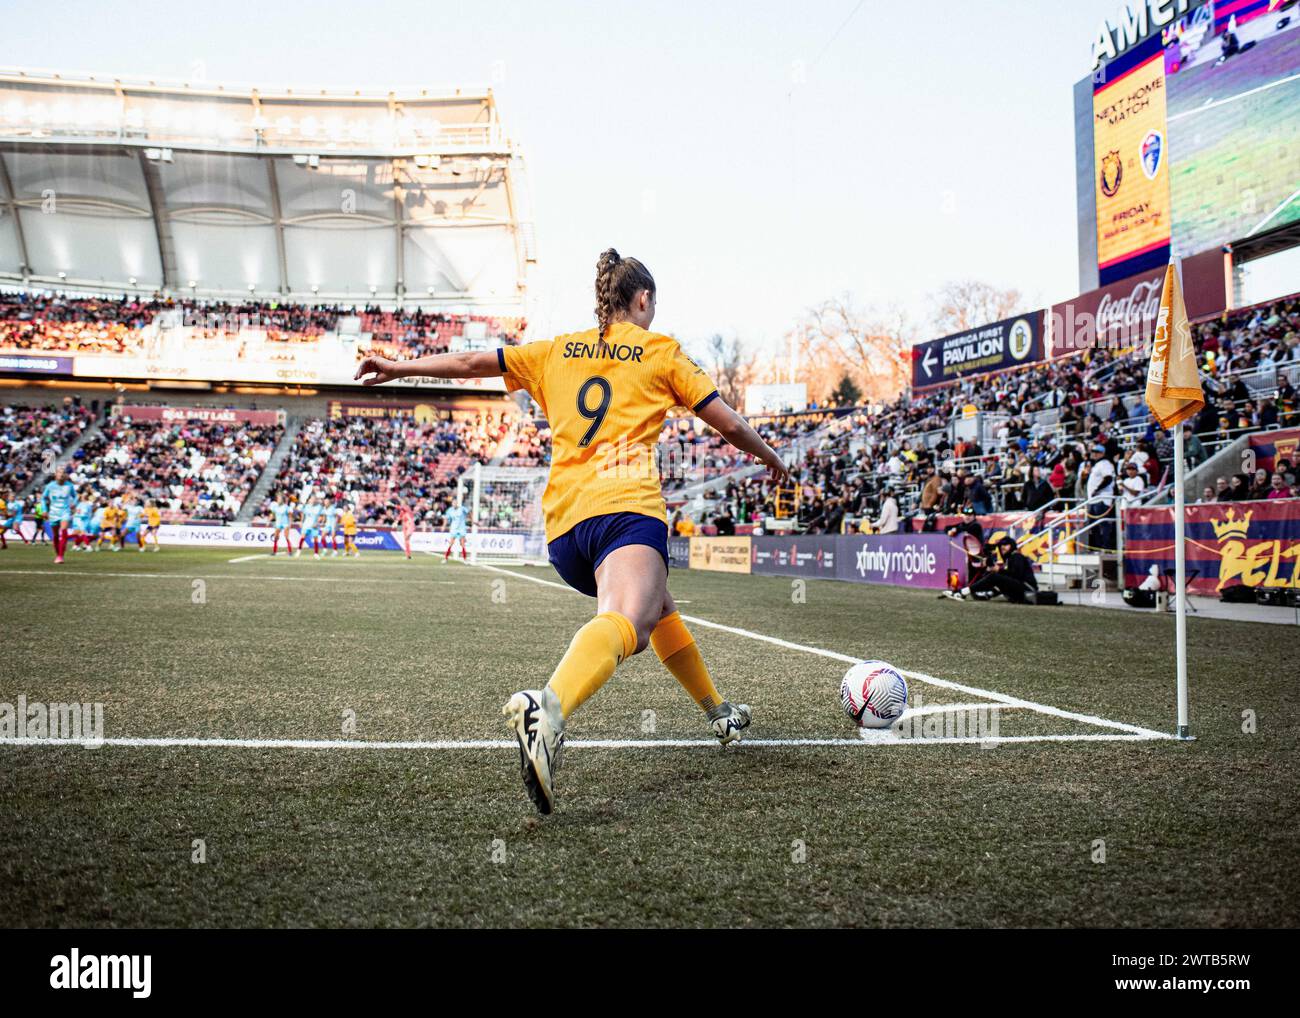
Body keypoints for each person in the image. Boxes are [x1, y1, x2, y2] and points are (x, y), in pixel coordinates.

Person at [355, 248, 790, 814]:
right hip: (627, 510)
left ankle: (718, 713)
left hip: (565, 531)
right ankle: (548, 709)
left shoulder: (554, 351)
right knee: (629, 618)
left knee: (657, 604)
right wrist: (772, 457)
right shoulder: (661, 351)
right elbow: (727, 422)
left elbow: (469, 366)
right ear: (642, 300)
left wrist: (398, 368)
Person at [946, 535, 1039, 604]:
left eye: (1006, 545)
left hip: (1028, 591)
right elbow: (1010, 578)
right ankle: (986, 593)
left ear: (1012, 546)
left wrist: (999, 570)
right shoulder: (1010, 559)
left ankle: (962, 592)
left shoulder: (1017, 556)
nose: (1002, 547)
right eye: (1001, 545)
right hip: (1022, 592)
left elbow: (1017, 575)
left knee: (995, 577)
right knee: (993, 576)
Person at [40, 467, 78, 564]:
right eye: (59, 472)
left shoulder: (69, 486)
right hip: (53, 513)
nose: (61, 474)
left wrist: (74, 503)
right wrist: (44, 510)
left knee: (64, 531)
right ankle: (58, 554)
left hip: (65, 511)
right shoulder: (50, 486)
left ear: (65, 475)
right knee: (56, 536)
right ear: (55, 475)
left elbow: (76, 496)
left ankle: (61, 556)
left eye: (63, 472)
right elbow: (43, 498)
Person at [298, 494, 324, 559]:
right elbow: (303, 514)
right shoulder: (306, 506)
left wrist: (317, 523)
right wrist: (301, 522)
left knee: (315, 539)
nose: (313, 500)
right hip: (306, 525)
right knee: (303, 537)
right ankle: (299, 551)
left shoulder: (319, 507)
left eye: (314, 499)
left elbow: (321, 516)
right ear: (309, 500)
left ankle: (316, 553)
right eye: (312, 499)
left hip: (314, 526)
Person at [443, 497, 469, 562]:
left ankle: (465, 559)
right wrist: (444, 526)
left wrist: (473, 521)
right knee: (451, 543)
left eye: (455, 503)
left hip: (461, 528)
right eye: (453, 503)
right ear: (452, 504)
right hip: (454, 529)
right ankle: (446, 558)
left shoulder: (462, 509)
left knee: (462, 544)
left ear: (457, 503)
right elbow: (446, 518)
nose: (454, 504)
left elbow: (469, 513)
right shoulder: (450, 510)